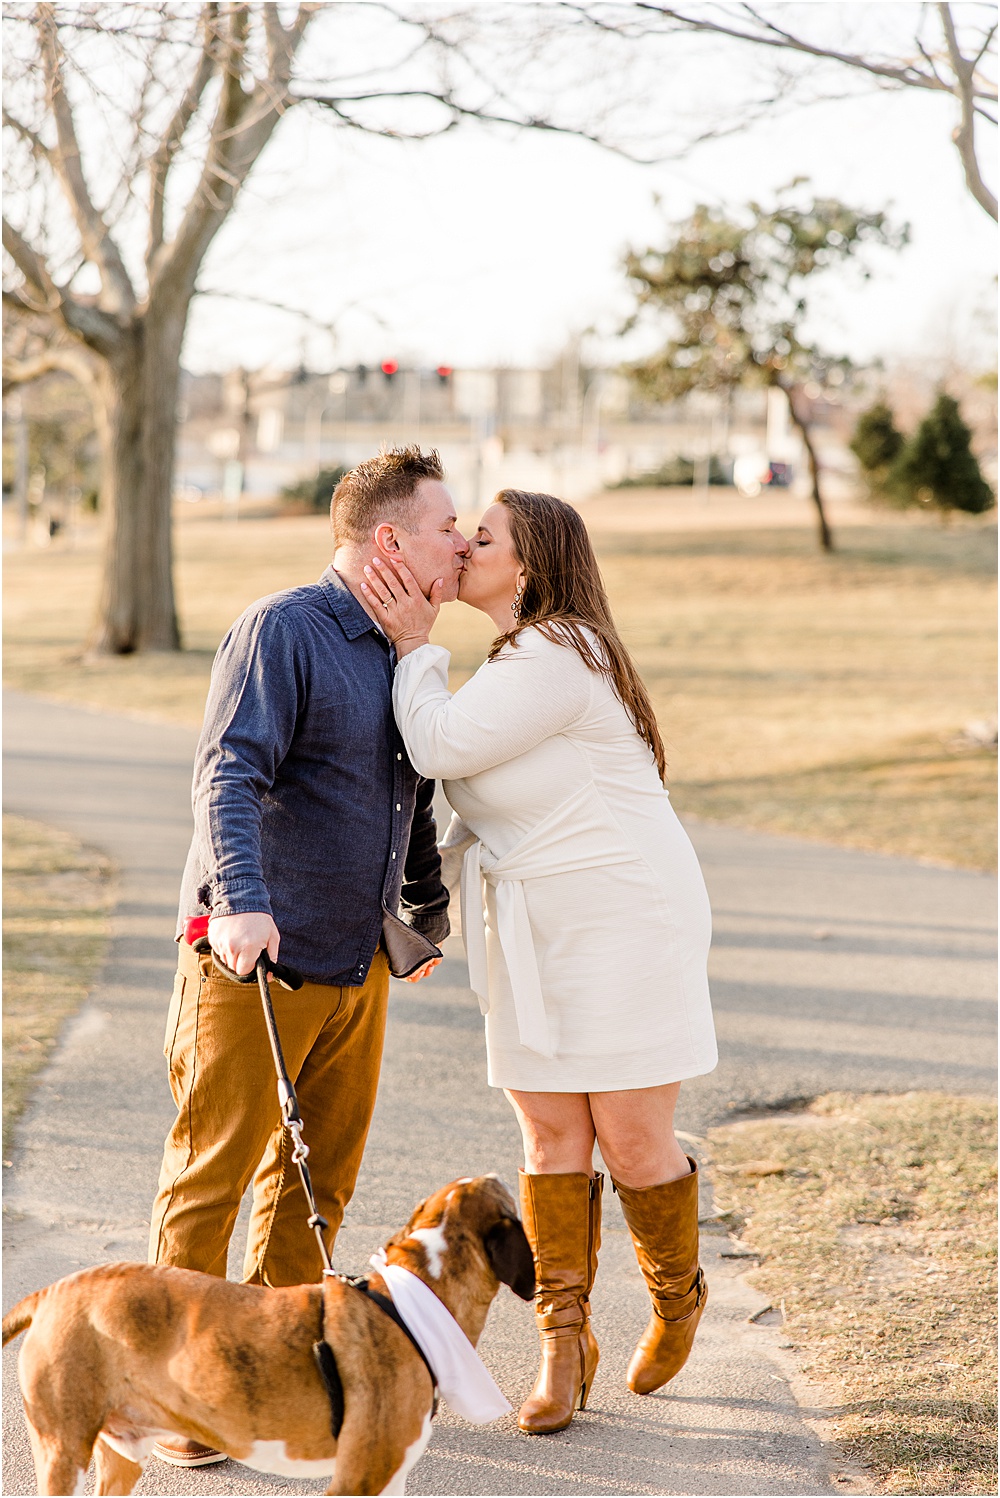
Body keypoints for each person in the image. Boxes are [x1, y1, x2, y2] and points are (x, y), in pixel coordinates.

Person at [361, 487, 718, 1436]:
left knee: (635, 1141)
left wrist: (410, 647)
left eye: (484, 537)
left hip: (625, 918)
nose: (465, 546)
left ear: (529, 564)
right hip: (531, 928)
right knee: (551, 1137)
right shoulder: (509, 664)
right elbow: (463, 805)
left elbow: (435, 742)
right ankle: (566, 1343)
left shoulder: (564, 650)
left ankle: (679, 1298)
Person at [148, 445, 465, 1468]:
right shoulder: (282, 628)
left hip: (354, 965)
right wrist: (240, 901)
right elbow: (226, 771)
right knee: (214, 1176)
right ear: (391, 539)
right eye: (445, 525)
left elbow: (408, 789)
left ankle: (268, 1378)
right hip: (251, 961)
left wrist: (420, 911)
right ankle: (176, 1395)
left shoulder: (403, 647)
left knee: (313, 1181)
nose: (460, 542)